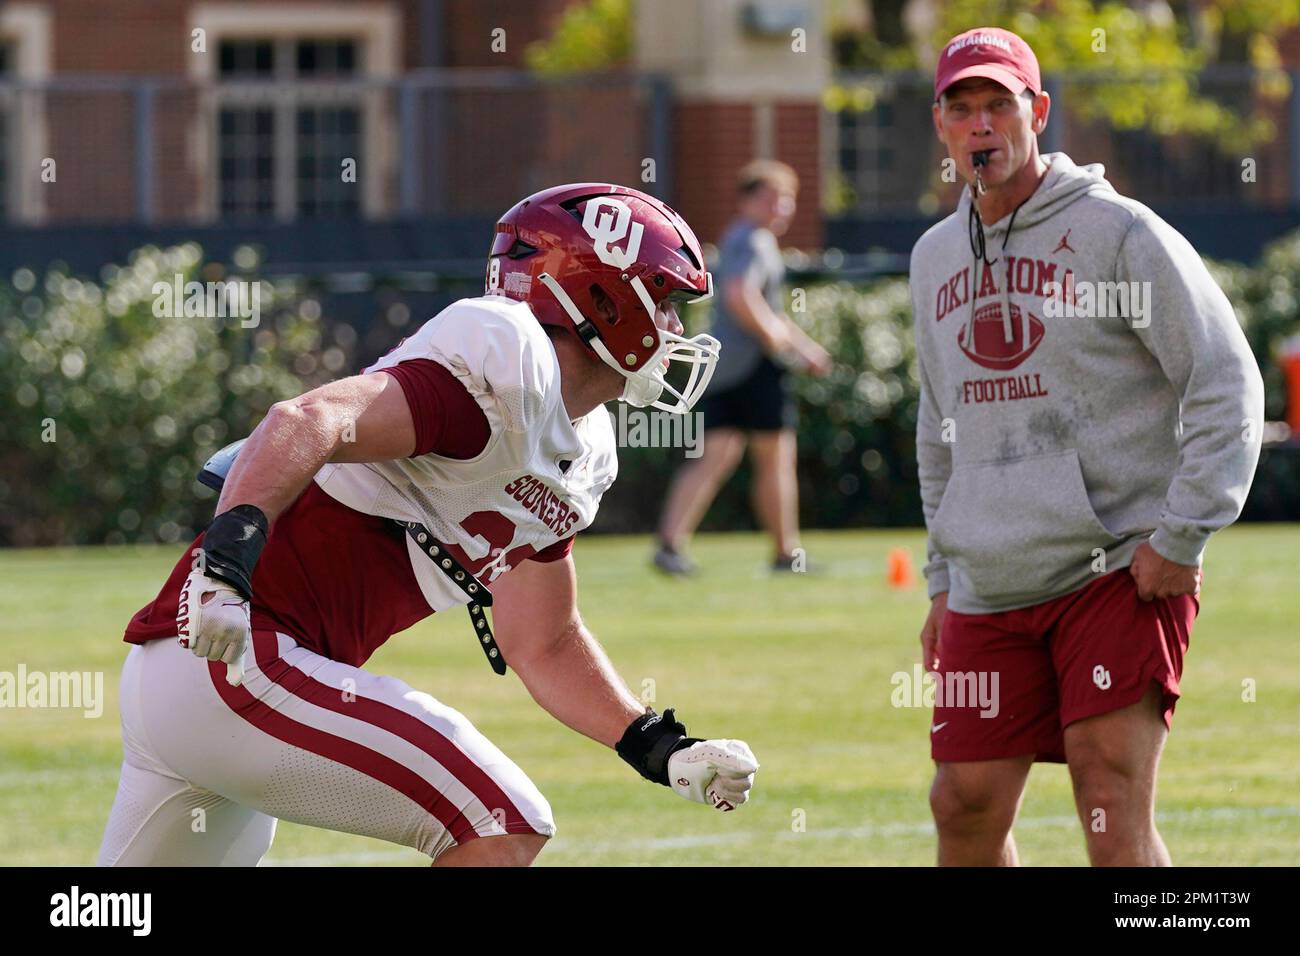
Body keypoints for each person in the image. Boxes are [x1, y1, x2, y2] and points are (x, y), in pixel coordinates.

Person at [97, 183, 759, 867]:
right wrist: (225, 569)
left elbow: (546, 642)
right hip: (233, 655)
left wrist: (658, 747)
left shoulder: (580, 449)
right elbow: (307, 420)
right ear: (602, 298)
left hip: (195, 683)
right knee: (501, 819)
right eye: (666, 304)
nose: (677, 330)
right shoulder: (504, 366)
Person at [912, 27, 1264, 866]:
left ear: (1037, 111)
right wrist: (940, 576)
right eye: (962, 108)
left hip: (1115, 569)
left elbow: (1225, 380)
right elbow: (939, 428)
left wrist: (1183, 536)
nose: (981, 125)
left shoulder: (1119, 231)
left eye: (999, 104)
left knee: (1107, 795)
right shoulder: (930, 258)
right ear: (941, 127)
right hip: (988, 581)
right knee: (963, 804)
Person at [654, 160, 832, 576]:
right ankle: (786, 553)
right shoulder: (753, 241)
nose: (780, 208)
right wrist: (775, 341)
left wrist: (803, 349)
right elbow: (740, 296)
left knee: (714, 456)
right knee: (775, 457)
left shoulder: (742, 239)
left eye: (785, 201)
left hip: (724, 366)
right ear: (746, 201)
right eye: (770, 199)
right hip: (753, 368)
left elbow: (765, 309)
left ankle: (670, 544)